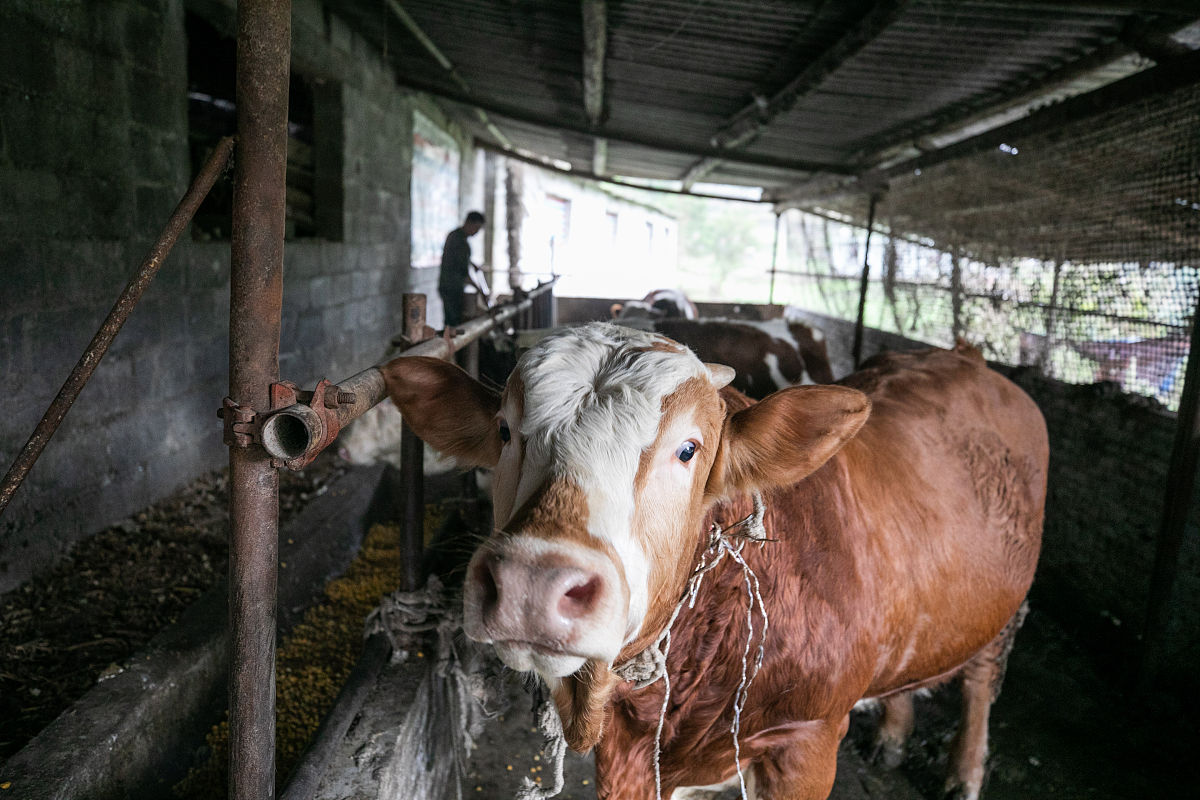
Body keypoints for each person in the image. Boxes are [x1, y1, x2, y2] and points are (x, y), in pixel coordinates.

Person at [438, 211, 487, 328]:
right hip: (452, 288)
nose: (476, 232)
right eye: (477, 228)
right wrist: (480, 291)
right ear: (469, 223)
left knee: (451, 321)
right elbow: (465, 275)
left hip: (447, 286)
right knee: (454, 322)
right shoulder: (461, 242)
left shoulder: (454, 235)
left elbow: (456, 258)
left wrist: (471, 263)